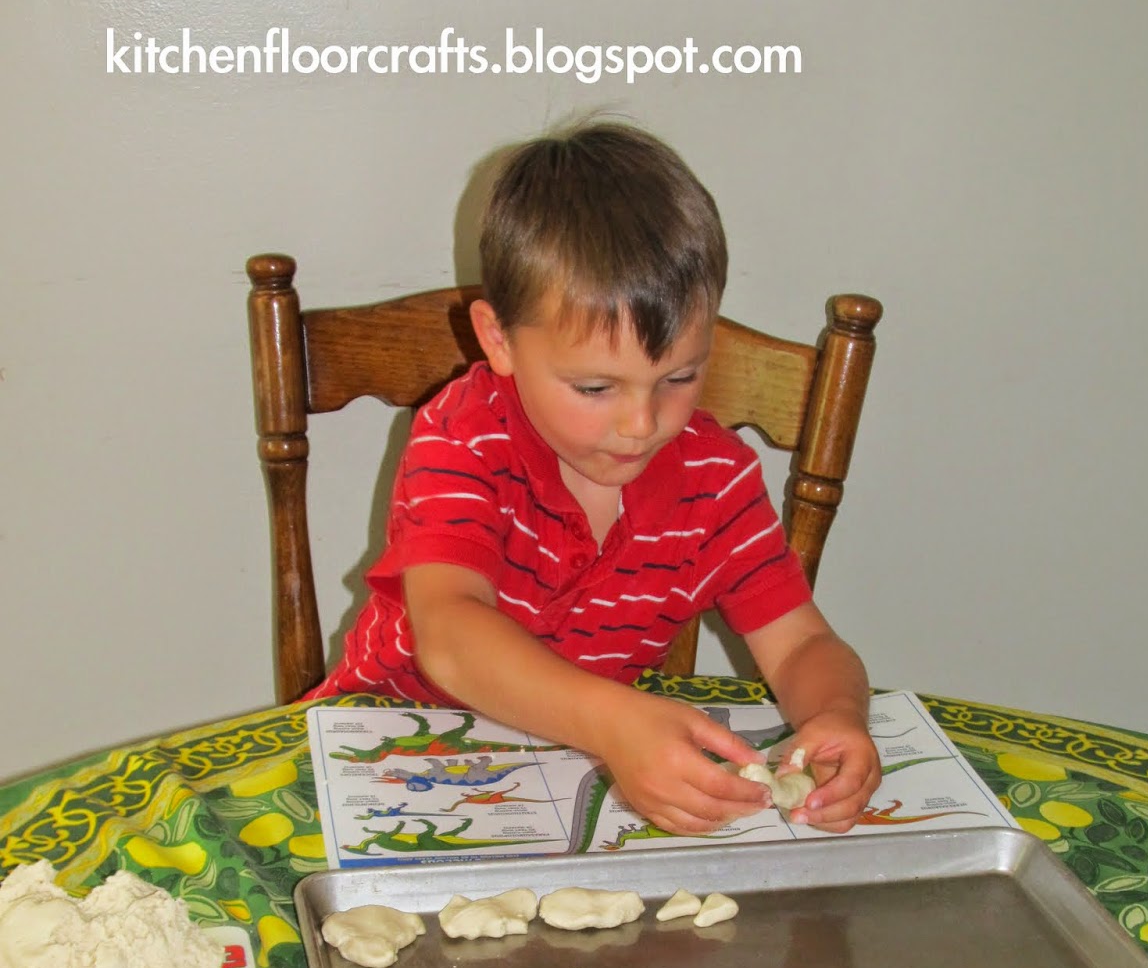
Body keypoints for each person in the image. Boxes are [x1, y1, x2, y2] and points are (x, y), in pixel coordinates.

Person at [310, 121, 880, 834]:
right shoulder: (466, 432)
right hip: (379, 750)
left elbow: (800, 645)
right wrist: (613, 722)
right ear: (496, 340)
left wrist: (836, 716)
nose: (641, 423)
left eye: (679, 376)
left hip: (562, 770)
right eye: (593, 388)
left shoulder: (716, 479)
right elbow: (451, 631)